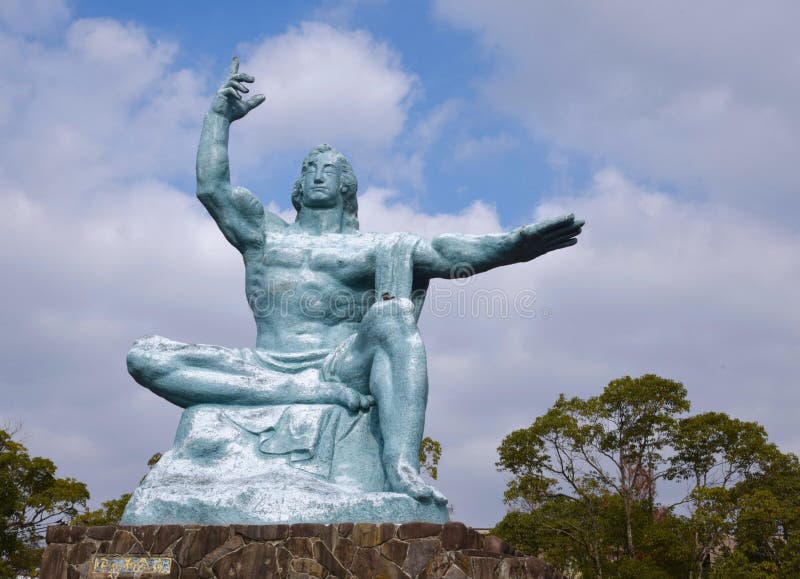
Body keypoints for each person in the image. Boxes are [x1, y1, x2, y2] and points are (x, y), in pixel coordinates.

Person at [127, 58, 584, 506]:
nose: (318, 174)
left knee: (392, 316)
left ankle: (401, 466)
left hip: (338, 366)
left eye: (330, 168)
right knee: (144, 356)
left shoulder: (373, 249)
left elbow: (446, 253)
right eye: (309, 168)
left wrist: (514, 245)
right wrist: (218, 118)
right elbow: (213, 188)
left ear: (348, 185)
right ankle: (300, 393)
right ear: (297, 186)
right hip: (264, 365)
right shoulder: (263, 234)